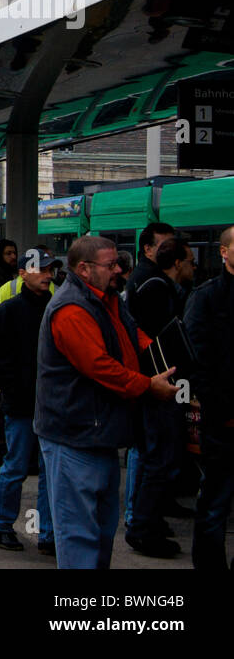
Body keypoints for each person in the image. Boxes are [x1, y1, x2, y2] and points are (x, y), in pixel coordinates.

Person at [34, 235, 178, 569]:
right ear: (84, 269)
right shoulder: (71, 308)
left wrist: (160, 354)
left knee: (98, 532)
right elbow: (98, 366)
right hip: (75, 436)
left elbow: (132, 337)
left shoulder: (108, 298)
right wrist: (147, 386)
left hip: (96, 433)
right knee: (80, 536)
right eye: (110, 265)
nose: (118, 270)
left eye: (118, 263)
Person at [123, 235, 194, 557]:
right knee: (158, 456)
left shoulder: (148, 285)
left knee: (158, 456)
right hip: (160, 386)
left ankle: (146, 521)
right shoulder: (157, 289)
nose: (194, 267)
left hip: (156, 384)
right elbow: (159, 341)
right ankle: (143, 526)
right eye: (191, 261)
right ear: (177, 263)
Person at [0, 248, 57, 554]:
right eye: (40, 269)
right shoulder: (8, 311)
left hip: (51, 404)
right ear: (23, 273)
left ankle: (46, 533)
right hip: (21, 404)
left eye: (50, 269)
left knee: (48, 471)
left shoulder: (57, 308)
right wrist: (11, 390)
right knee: (15, 467)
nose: (47, 275)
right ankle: (2, 525)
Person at [187, 225, 234, 570]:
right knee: (215, 501)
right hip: (223, 420)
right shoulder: (206, 297)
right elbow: (195, 357)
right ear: (223, 252)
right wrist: (215, 404)